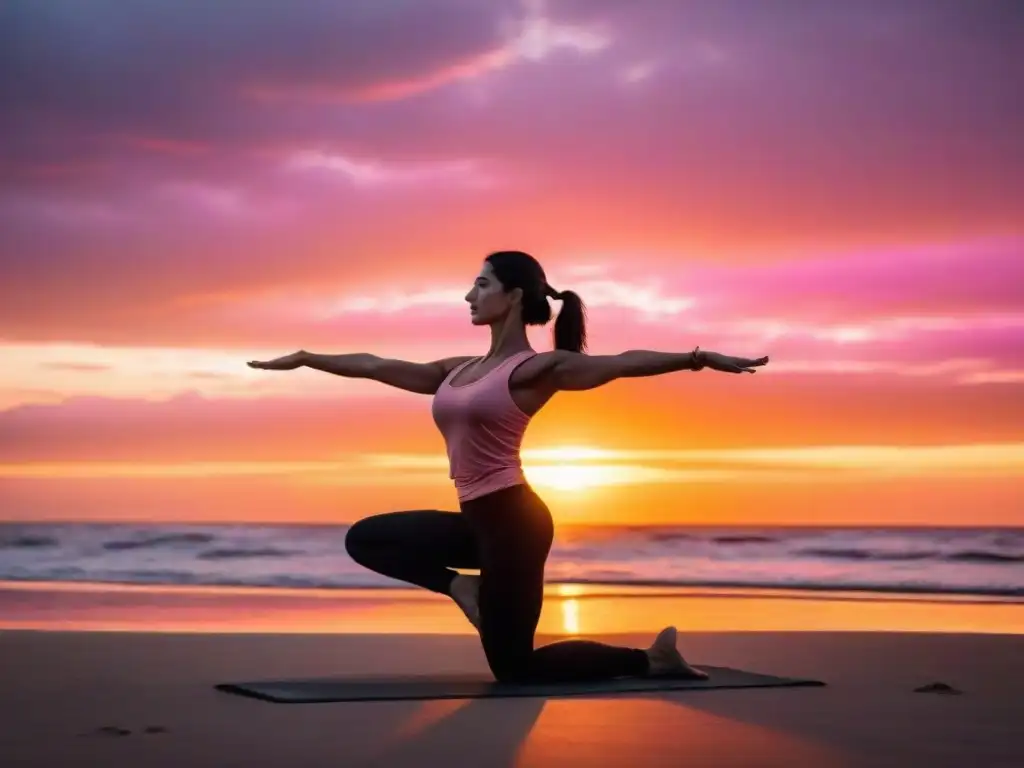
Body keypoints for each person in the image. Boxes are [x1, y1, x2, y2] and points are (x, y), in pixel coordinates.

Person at [247, 250, 769, 684]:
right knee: (366, 539)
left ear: (514, 295)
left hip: (516, 524)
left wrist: (696, 357)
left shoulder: (538, 369)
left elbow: (620, 363)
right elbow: (376, 365)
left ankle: (651, 660)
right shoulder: (458, 370)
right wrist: (309, 357)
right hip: (477, 520)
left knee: (516, 669)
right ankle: (461, 587)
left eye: (481, 285)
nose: (469, 297)